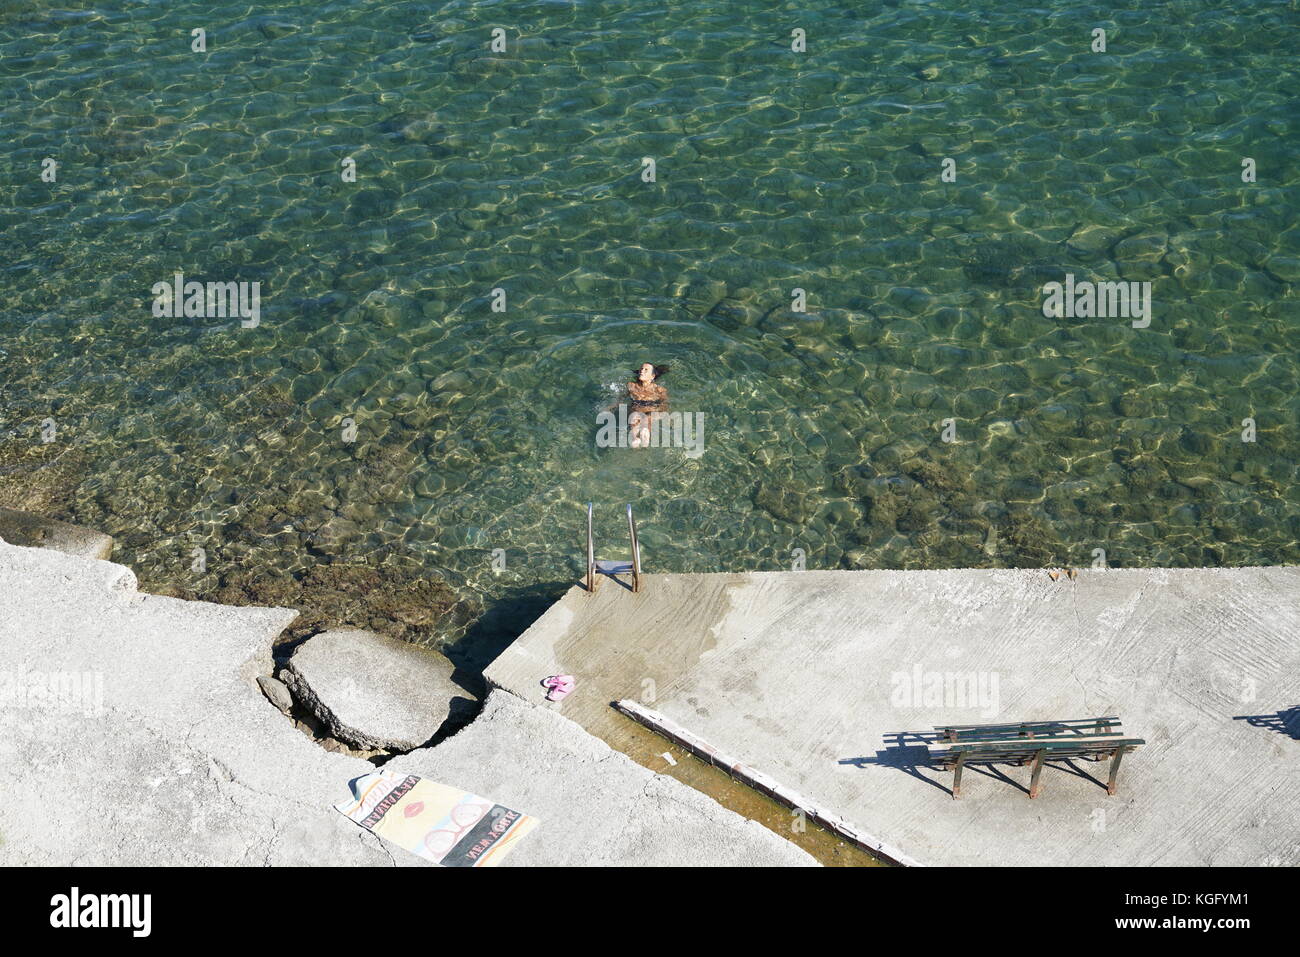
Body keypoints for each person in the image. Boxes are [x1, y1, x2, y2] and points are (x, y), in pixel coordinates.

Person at [627, 362, 669, 448]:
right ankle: (635, 440)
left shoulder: (659, 389)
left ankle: (645, 437)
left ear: (652, 376)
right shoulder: (631, 386)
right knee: (635, 416)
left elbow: (664, 405)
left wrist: (667, 418)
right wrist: (610, 407)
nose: (642, 371)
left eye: (646, 370)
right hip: (637, 410)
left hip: (652, 411)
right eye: (641, 369)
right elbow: (620, 398)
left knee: (647, 419)